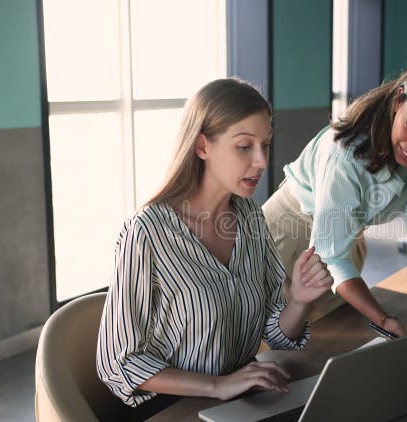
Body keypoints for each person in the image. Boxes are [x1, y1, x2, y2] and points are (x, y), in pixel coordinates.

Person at [96, 78, 333, 417]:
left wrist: (299, 301)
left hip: (242, 393)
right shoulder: (146, 232)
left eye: (265, 145)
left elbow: (275, 333)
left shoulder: (250, 215)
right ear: (202, 146)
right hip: (170, 407)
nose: (261, 161)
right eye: (244, 146)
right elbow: (118, 363)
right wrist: (217, 386)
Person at [262, 56, 407, 337]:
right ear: (398, 101)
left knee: (322, 341)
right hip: (281, 239)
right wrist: (383, 320)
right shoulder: (344, 153)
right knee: (263, 344)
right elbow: (331, 256)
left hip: (344, 245)